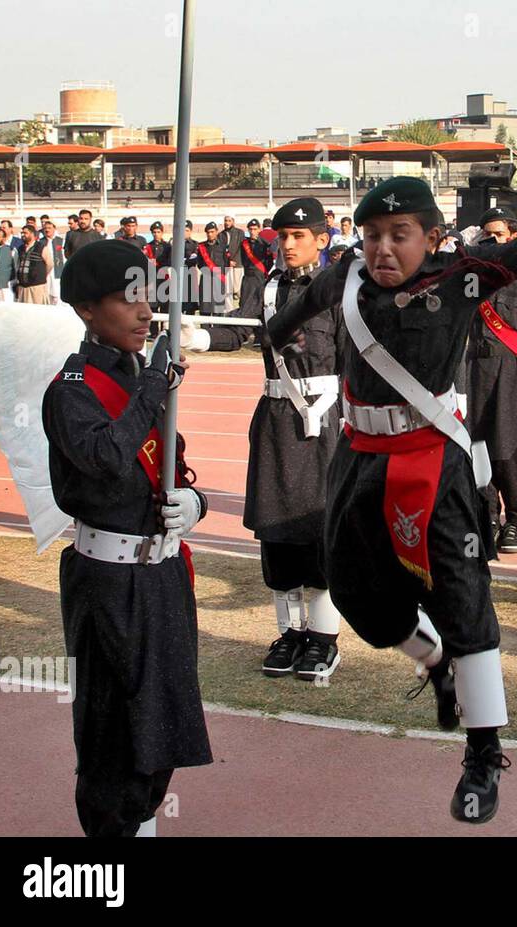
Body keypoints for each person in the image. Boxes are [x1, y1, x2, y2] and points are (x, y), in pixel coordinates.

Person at [266, 172, 517, 823]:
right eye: (372, 236)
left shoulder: (462, 278)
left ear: (432, 237)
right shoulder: (344, 276)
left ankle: (483, 754)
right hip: (358, 460)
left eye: (400, 235)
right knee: (353, 593)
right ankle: (436, 663)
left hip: (434, 461)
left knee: (463, 599)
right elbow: (303, 304)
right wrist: (274, 330)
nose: (383, 249)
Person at [44, 239, 212, 835]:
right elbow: (107, 459)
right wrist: (152, 390)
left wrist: (194, 502)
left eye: (148, 298)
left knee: (158, 737)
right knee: (114, 741)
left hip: (161, 573)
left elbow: (169, 468)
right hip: (109, 583)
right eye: (127, 300)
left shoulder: (142, 378)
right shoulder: (73, 388)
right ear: (88, 310)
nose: (146, 313)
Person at [187, 198, 344, 681]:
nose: (288, 244)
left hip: (324, 424)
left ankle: (323, 640)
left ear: (322, 240)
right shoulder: (267, 287)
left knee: (319, 531)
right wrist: (201, 338)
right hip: (276, 422)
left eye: (298, 236)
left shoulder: (339, 291)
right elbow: (240, 329)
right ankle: (289, 634)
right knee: (276, 531)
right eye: (282, 236)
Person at [460, 207, 517, 555]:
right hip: (472, 370)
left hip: (512, 371)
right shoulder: (469, 278)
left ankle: (515, 520)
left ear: (513, 236)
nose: (492, 239)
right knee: (476, 446)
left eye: (498, 234)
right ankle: (487, 515)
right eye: (486, 234)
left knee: (510, 449)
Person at [189, 221, 228, 315]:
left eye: (212, 232)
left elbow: (226, 262)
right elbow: (200, 263)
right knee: (205, 308)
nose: (210, 234)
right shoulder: (201, 246)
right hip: (206, 279)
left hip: (219, 279)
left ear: (216, 232)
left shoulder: (223, 246)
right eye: (208, 232)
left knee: (218, 309)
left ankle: (217, 329)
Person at [238, 218, 274, 311]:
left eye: (255, 229)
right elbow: (242, 258)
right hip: (248, 275)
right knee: (245, 300)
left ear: (259, 229)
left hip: (259, 275)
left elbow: (269, 260)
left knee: (259, 300)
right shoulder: (244, 243)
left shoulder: (265, 244)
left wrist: (264, 270)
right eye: (251, 229)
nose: (252, 232)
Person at [15, 223, 53, 304]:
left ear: (32, 234)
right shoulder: (20, 248)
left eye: (25, 233)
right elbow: (18, 265)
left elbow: (50, 264)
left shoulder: (42, 247)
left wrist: (40, 274)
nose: (23, 235)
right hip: (23, 287)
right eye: (22, 233)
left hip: (37, 287)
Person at [220, 216, 245, 307]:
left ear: (233, 222)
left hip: (238, 263)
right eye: (225, 221)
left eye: (229, 221)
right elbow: (221, 250)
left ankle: (241, 308)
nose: (227, 223)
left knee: (237, 288)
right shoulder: (221, 235)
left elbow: (241, 247)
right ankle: (229, 310)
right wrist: (228, 261)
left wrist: (233, 260)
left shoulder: (239, 233)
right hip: (226, 265)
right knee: (228, 289)